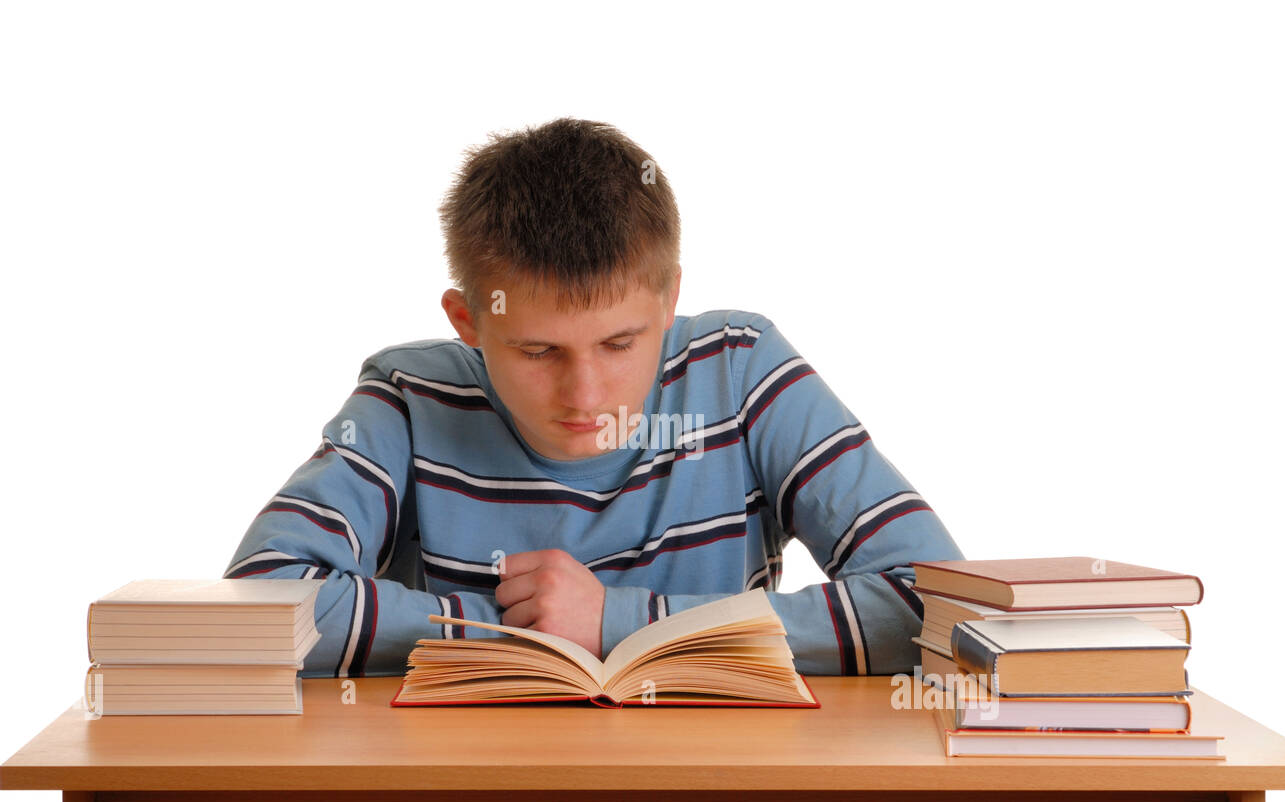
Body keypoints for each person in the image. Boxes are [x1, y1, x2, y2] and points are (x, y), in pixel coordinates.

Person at [224, 117, 966, 679]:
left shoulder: (742, 370)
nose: (586, 394)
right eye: (539, 350)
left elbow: (936, 606)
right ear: (468, 322)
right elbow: (263, 602)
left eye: (620, 344)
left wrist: (622, 622)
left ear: (670, 298)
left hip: (722, 795)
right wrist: (521, 629)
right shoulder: (409, 398)